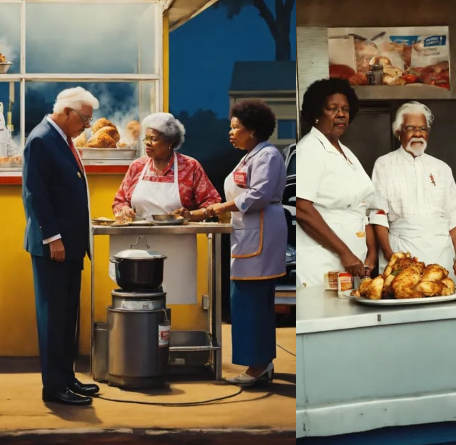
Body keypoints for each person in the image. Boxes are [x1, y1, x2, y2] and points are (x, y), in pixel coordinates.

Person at [184, 100, 286, 387]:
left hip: (261, 234)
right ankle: (261, 362)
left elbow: (258, 196)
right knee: (249, 300)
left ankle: (257, 367)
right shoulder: (251, 155)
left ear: (252, 131)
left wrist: (214, 210)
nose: (230, 133)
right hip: (249, 234)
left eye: (235, 128)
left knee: (250, 301)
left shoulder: (267, 156)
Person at [22, 87, 102, 406]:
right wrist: (51, 237)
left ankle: (66, 378)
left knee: (68, 315)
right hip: (53, 246)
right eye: (84, 119)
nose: (86, 126)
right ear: (67, 113)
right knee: (53, 317)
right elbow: (34, 194)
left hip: (70, 246)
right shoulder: (41, 139)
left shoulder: (63, 139)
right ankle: (54, 388)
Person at [371, 101, 456, 279]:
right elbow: (378, 214)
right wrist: (389, 255)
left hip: (441, 253)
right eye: (410, 128)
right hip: (401, 251)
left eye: (423, 129)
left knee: (442, 295)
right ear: (398, 131)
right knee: (405, 298)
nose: (418, 134)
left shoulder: (441, 168)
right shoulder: (384, 165)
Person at [294, 78, 377, 288]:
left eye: (346, 109)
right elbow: (302, 209)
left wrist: (371, 254)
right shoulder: (310, 150)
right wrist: (345, 253)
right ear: (316, 114)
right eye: (333, 109)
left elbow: (361, 207)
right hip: (323, 261)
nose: (341, 114)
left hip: (354, 264)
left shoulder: (345, 152)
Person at [112, 112, 221, 221]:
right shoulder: (137, 166)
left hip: (178, 236)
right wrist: (124, 209)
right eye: (146, 138)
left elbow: (213, 204)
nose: (147, 143)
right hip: (140, 236)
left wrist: (190, 215)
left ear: (170, 141)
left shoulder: (190, 166)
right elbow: (119, 201)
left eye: (153, 139)